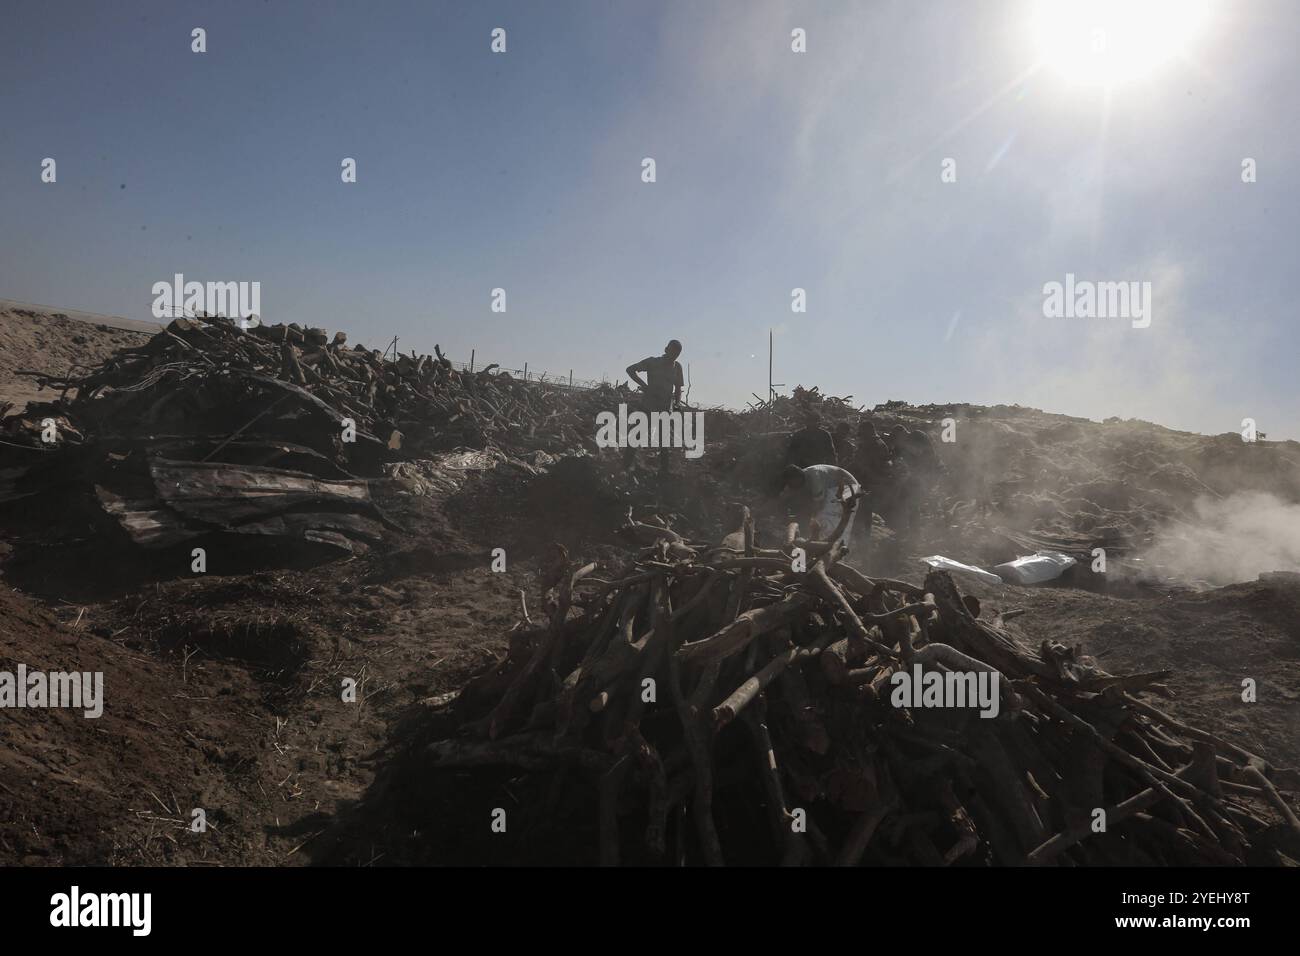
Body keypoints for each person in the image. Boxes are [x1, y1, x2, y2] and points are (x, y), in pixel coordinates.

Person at [624, 339, 685, 472]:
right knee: (634, 437)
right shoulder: (652, 362)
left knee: (664, 444)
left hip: (664, 410)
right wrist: (645, 386)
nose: (674, 356)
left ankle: (664, 474)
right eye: (672, 352)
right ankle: (625, 468)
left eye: (677, 354)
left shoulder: (677, 367)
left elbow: (678, 388)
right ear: (666, 350)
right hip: (648, 406)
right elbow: (630, 370)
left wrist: (676, 405)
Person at [781, 463, 861, 545]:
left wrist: (803, 516)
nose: (792, 486)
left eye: (792, 483)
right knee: (824, 521)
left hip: (846, 487)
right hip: (837, 489)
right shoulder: (799, 480)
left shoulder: (815, 476)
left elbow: (818, 504)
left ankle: (832, 549)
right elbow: (785, 496)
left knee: (827, 520)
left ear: (797, 477)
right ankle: (830, 549)